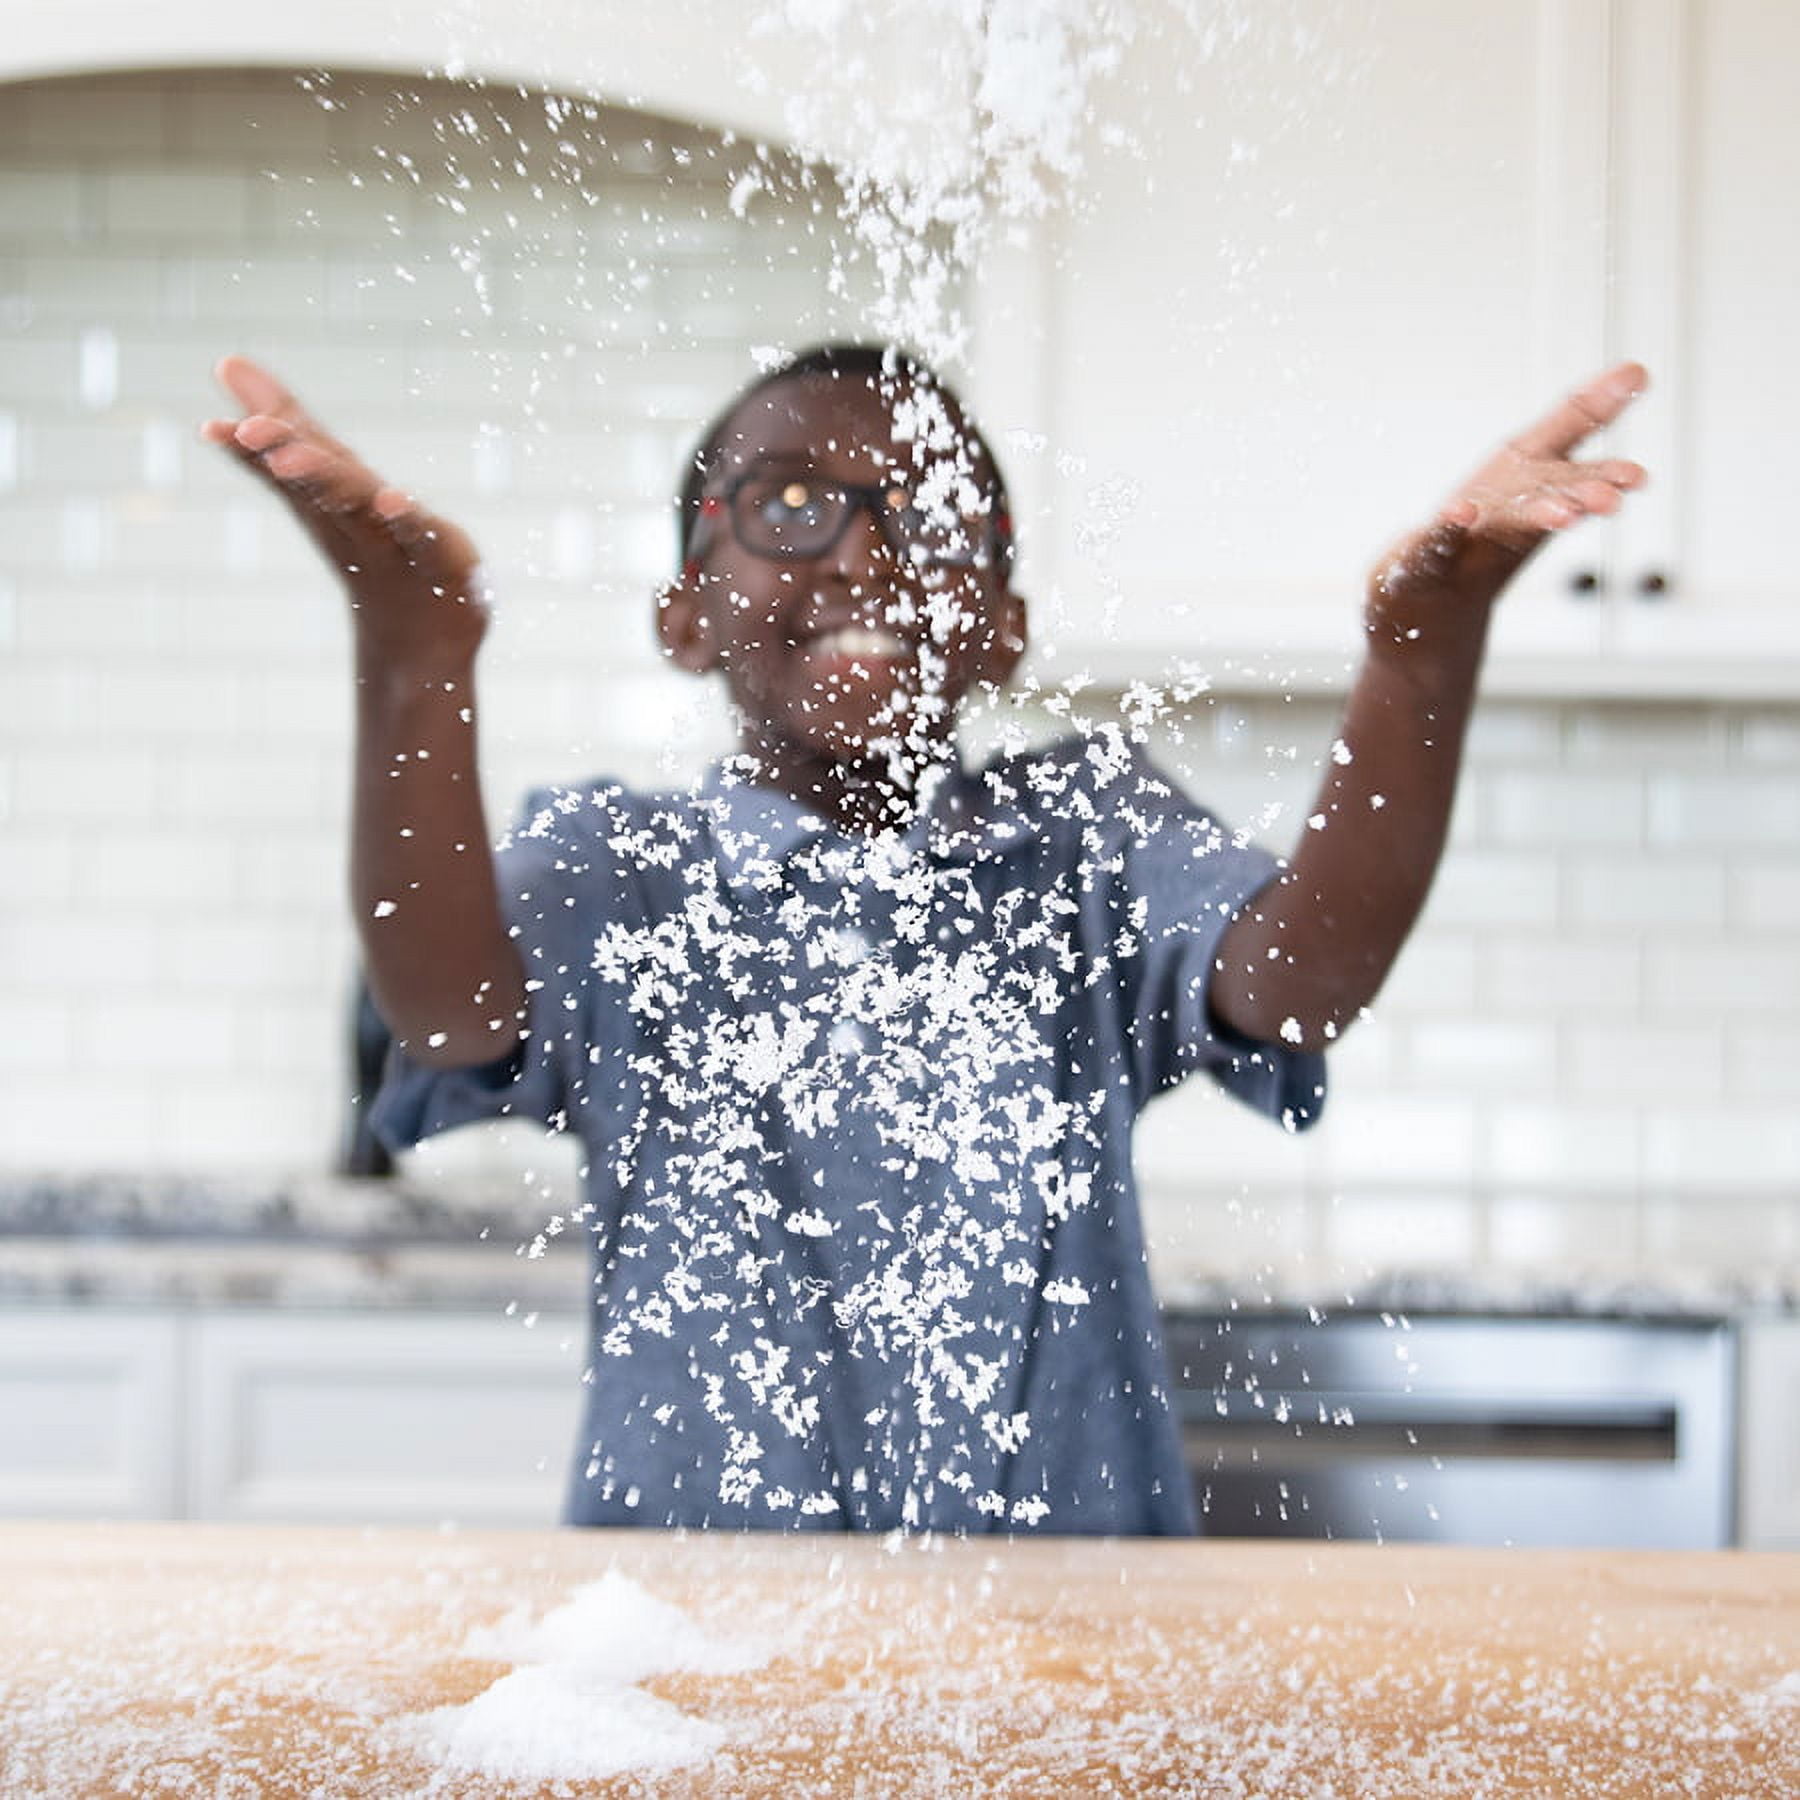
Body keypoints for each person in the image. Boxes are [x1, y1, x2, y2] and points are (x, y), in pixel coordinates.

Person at [202, 344, 1646, 1533]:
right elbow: (448, 1010)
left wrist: (1419, 657)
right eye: (784, 507)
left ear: (1005, 625)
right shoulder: (618, 867)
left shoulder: (1085, 834)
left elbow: (1303, 981)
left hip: (1067, 1644)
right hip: (692, 1652)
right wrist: (414, 651)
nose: (868, 554)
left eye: (933, 517)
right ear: (685, 614)